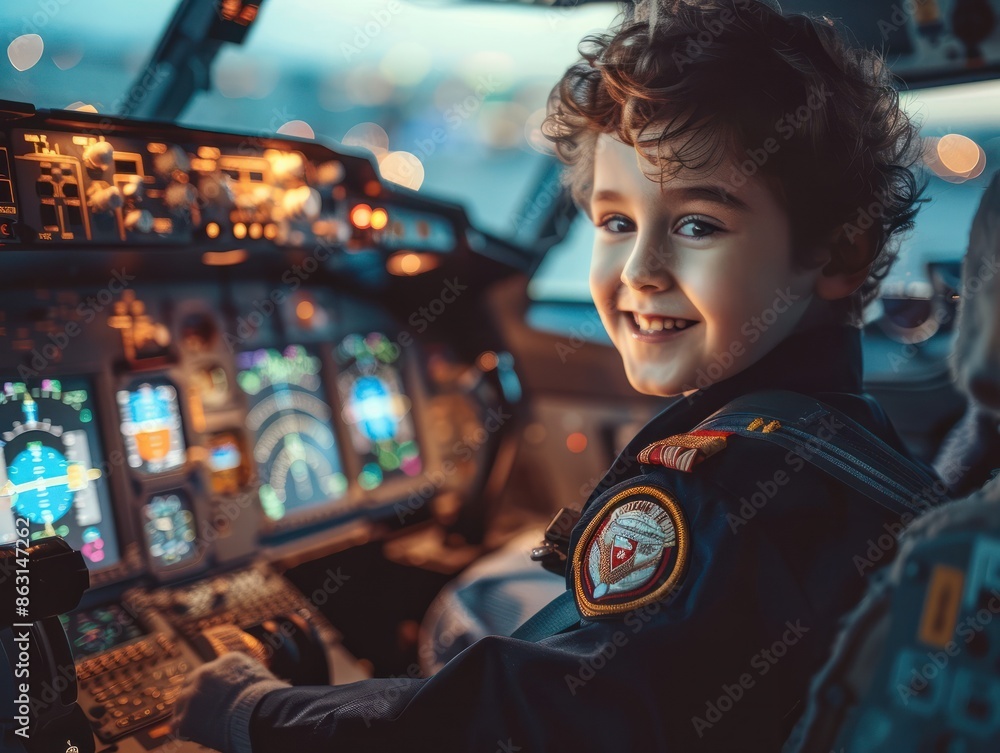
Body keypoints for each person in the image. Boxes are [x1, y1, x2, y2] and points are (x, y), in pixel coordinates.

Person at [173, 1, 941, 750]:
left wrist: (257, 713)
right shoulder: (852, 444)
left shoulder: (710, 488)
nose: (641, 271)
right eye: (615, 222)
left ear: (840, 253)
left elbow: (541, 718)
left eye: (698, 224)